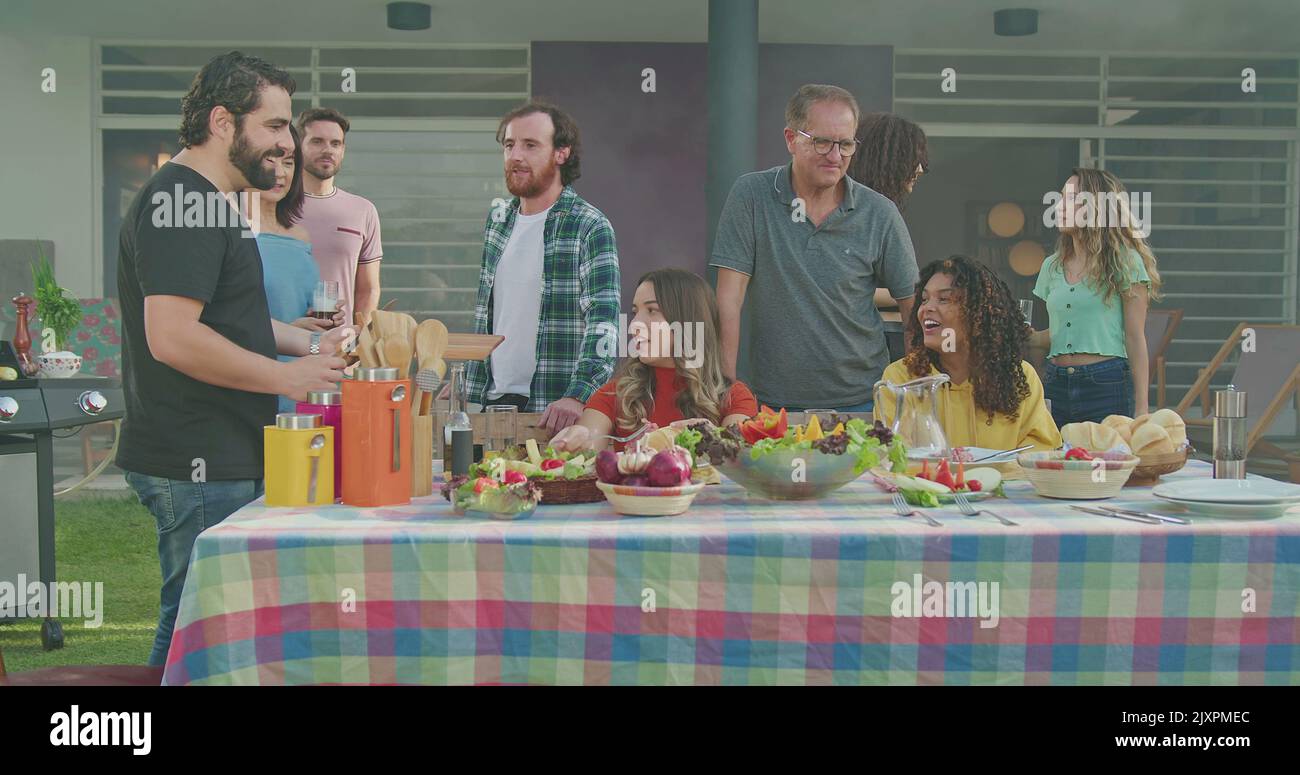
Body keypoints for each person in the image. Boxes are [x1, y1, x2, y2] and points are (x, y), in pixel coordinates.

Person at [117, 51, 353, 666]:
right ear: (224, 123)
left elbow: (220, 319)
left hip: (221, 447)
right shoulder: (184, 201)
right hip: (197, 454)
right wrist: (286, 376)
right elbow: (171, 335)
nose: (288, 144)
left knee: (218, 620)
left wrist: (303, 342)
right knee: (198, 622)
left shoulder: (208, 201)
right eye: (275, 126)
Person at [711, 84, 918, 414]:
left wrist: (911, 396)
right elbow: (728, 300)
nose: (835, 156)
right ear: (791, 139)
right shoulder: (752, 195)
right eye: (822, 142)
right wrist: (726, 387)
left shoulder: (879, 212)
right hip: (770, 406)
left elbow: (913, 308)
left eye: (846, 144)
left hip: (864, 404)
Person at [464, 101, 621, 432]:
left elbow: (603, 324)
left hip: (554, 408)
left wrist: (578, 396)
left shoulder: (589, 225)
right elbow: (488, 315)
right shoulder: (498, 221)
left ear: (561, 153)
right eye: (509, 145)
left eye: (530, 145)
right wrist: (468, 382)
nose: (515, 155)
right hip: (493, 402)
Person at [550, 268, 756, 452]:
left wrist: (712, 439)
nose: (633, 326)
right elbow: (586, 446)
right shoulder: (612, 395)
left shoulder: (734, 397)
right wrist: (573, 444)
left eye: (652, 311)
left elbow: (740, 459)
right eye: (634, 313)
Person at [876, 255, 1061, 451]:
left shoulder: (1018, 375)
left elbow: (1040, 451)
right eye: (924, 299)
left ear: (979, 313)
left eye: (944, 299)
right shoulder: (900, 377)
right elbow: (894, 456)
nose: (927, 308)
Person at [1030, 168, 1163, 425]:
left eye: (1072, 198)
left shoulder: (1126, 262)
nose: (1060, 206)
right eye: (1061, 198)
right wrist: (1033, 337)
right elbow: (1065, 330)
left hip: (1104, 384)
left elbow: (1135, 337)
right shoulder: (1051, 266)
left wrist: (1143, 408)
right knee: (1054, 462)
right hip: (1055, 384)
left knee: (1105, 462)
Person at [247, 123, 345, 412]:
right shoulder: (233, 232)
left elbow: (299, 301)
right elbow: (222, 322)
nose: (280, 172)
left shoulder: (299, 235)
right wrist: (291, 332)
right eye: (269, 159)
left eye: (288, 163)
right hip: (260, 377)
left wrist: (327, 318)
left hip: (309, 378)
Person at [296, 107, 383, 325]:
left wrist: (356, 339)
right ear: (298, 147)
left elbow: (369, 289)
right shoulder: (271, 206)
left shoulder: (363, 211)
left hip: (338, 349)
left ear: (343, 150)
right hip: (281, 344)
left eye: (335, 144)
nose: (328, 150)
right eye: (317, 142)